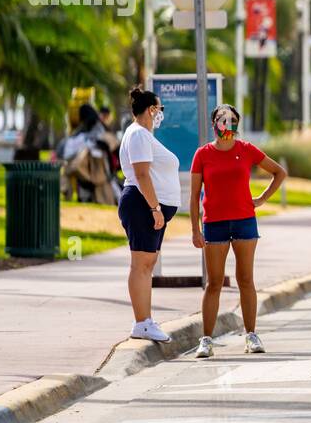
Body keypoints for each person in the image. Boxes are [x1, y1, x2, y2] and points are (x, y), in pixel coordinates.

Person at [189, 104, 287, 358]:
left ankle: (251, 335)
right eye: (222, 119)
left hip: (244, 220)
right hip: (214, 223)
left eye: (232, 120)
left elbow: (279, 172)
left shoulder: (246, 150)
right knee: (214, 283)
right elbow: (193, 197)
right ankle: (206, 340)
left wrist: (263, 198)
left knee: (245, 279)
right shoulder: (202, 154)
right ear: (214, 124)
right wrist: (195, 230)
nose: (227, 124)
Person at [118, 87, 180, 343]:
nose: (161, 115)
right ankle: (142, 323)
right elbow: (141, 174)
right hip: (143, 206)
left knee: (147, 265)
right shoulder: (138, 135)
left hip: (148, 206)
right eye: (160, 109)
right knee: (141, 265)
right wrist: (155, 208)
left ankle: (145, 320)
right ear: (151, 109)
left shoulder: (142, 135)